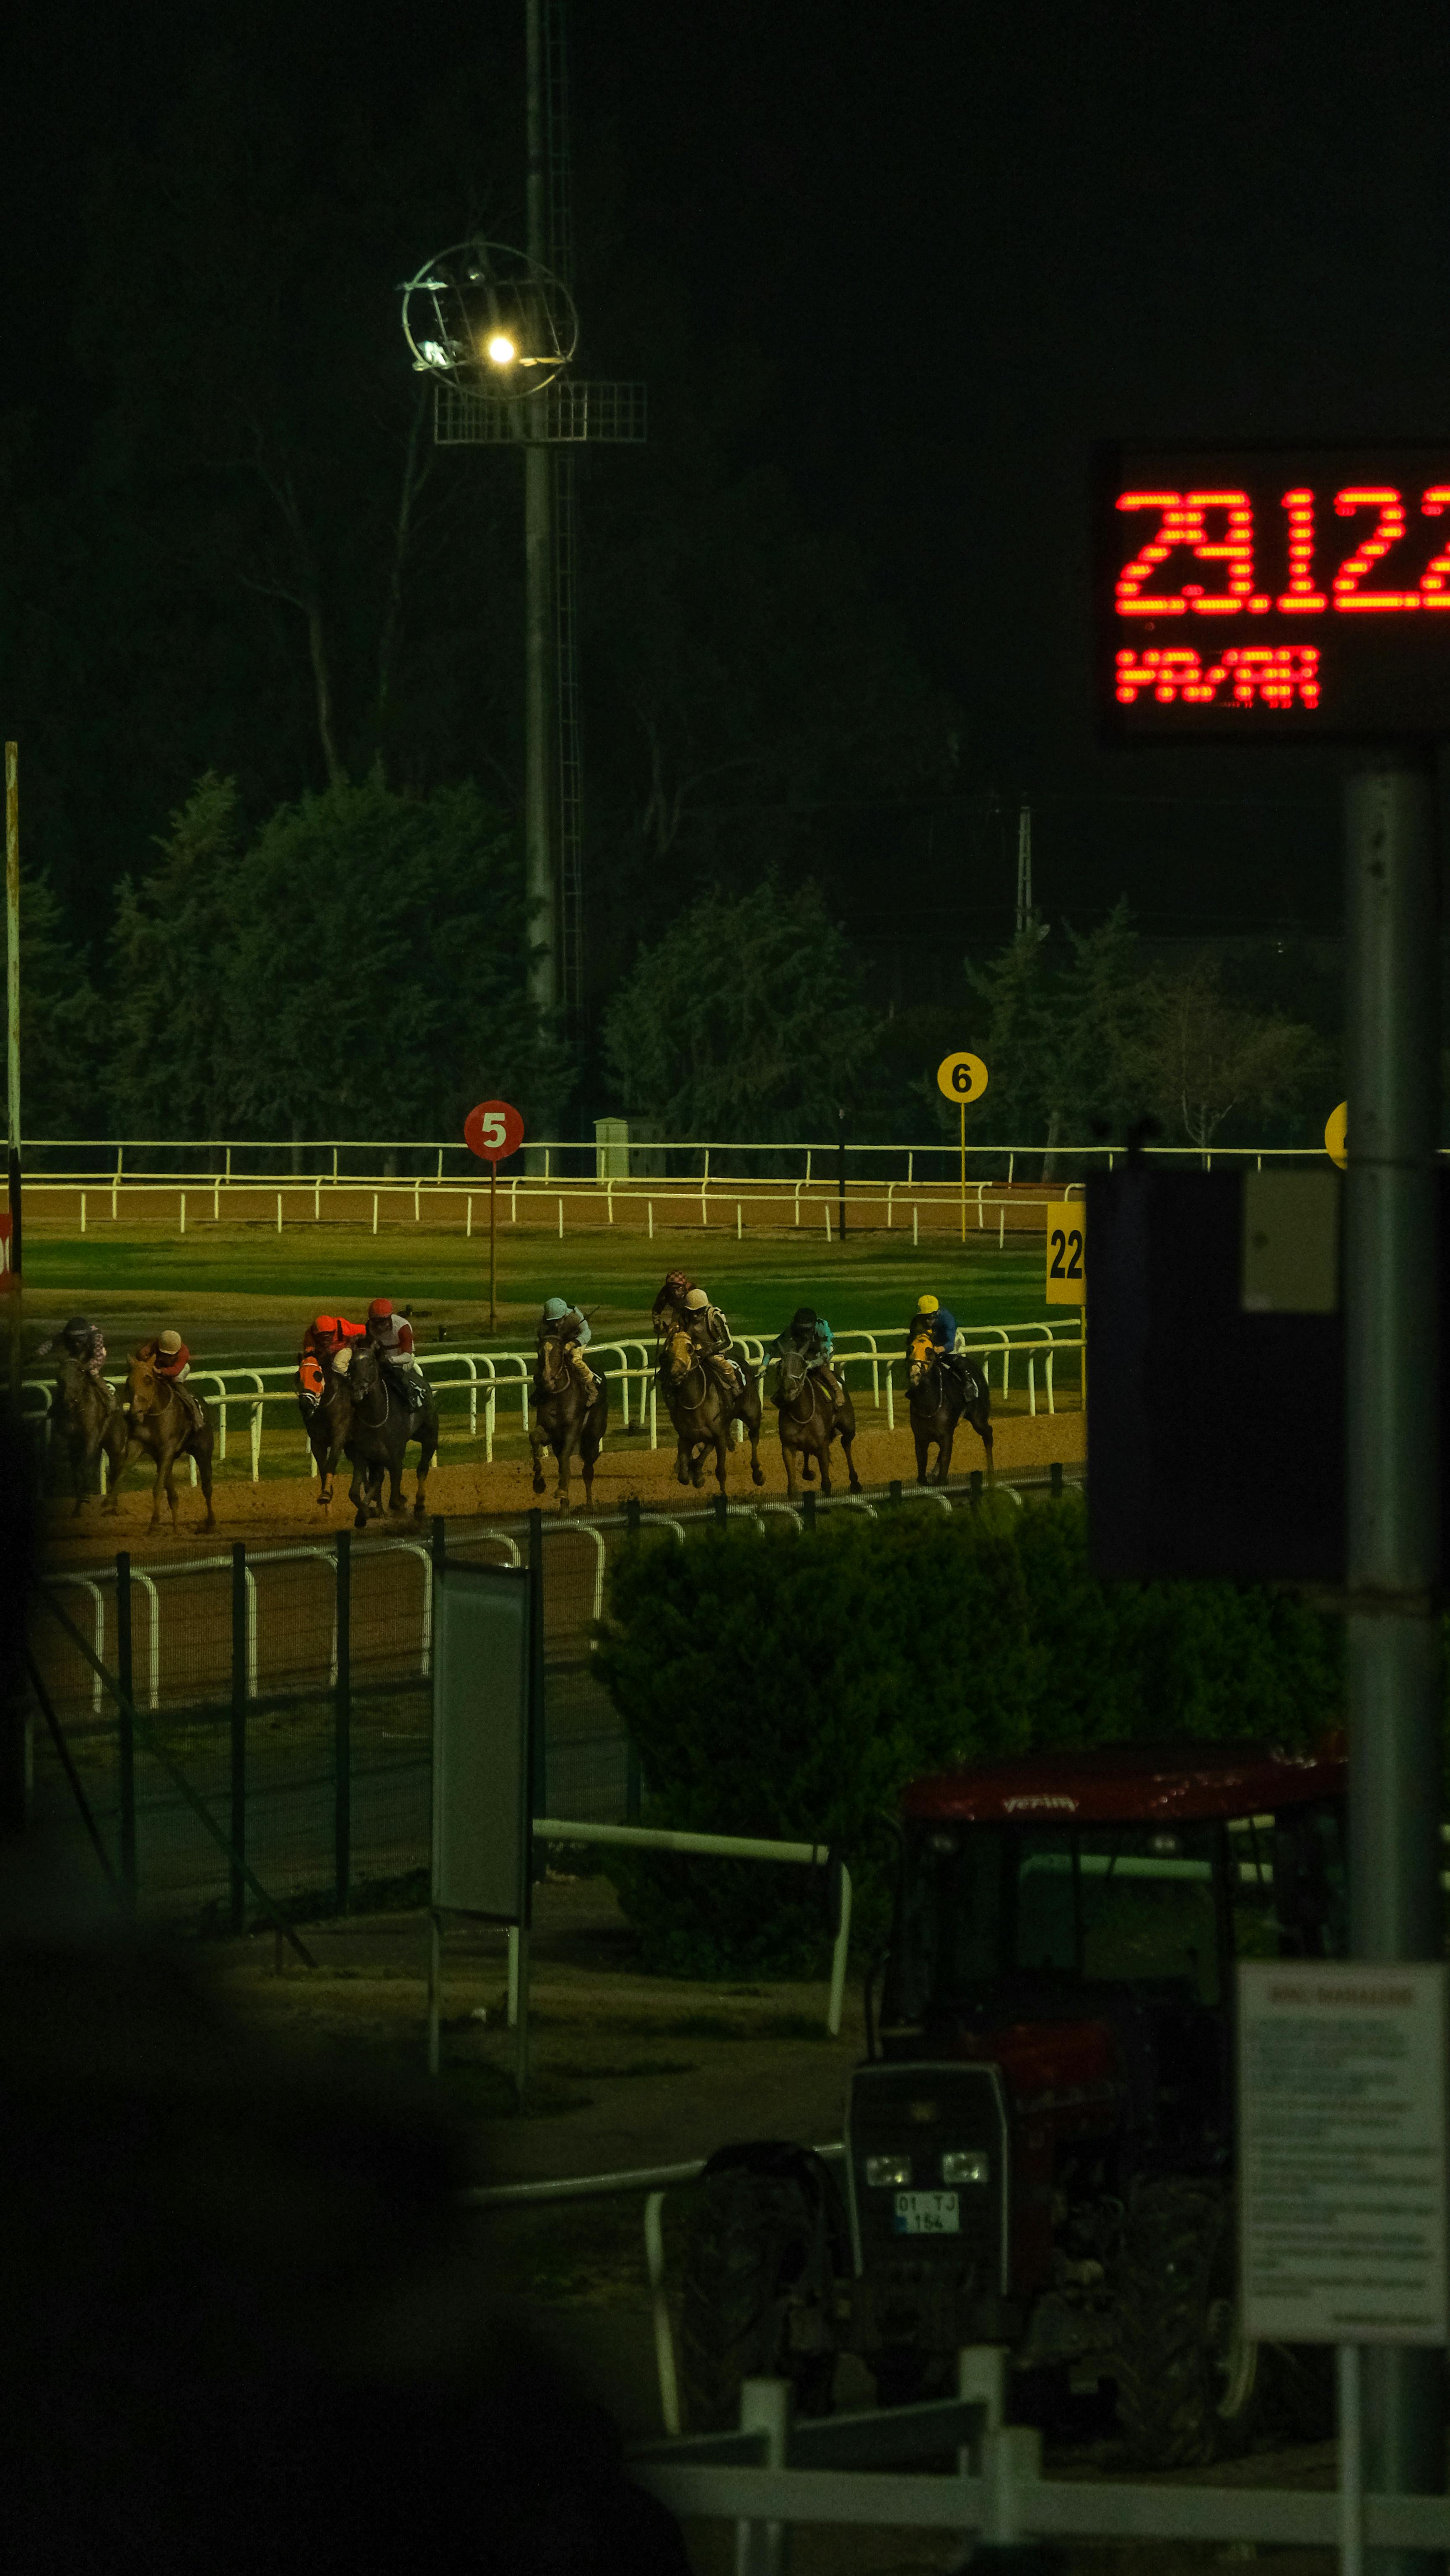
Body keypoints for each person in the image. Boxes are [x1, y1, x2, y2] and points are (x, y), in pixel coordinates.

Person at [908, 1291, 980, 1409]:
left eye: (930, 1317)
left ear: (937, 1314)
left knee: (951, 1360)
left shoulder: (947, 1319)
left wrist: (938, 1350)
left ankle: (968, 1384)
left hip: (949, 1342)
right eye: (924, 1318)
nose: (927, 1321)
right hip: (931, 1343)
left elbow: (950, 1345)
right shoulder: (917, 1321)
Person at [363, 1299, 428, 1416]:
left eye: (382, 1322)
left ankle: (411, 1398)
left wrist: (391, 1360)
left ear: (389, 1318)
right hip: (383, 1360)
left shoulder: (403, 1327)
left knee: (395, 1374)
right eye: (375, 1322)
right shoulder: (370, 1326)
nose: (378, 1326)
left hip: (402, 1360)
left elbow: (407, 1357)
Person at [680, 1284, 743, 1401]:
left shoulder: (714, 1316)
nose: (694, 1315)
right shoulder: (685, 1317)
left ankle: (736, 1387)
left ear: (704, 1308)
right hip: (692, 1348)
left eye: (697, 1311)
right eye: (691, 1311)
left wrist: (709, 1350)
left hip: (714, 1349)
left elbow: (728, 1342)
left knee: (720, 1363)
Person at [134, 1329, 205, 1431]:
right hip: (160, 1365)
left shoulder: (184, 1352)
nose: (167, 1356)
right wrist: (143, 1355)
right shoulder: (155, 1344)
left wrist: (160, 1371)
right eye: (164, 1353)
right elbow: (142, 1355)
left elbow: (176, 1370)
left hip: (179, 1369)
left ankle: (197, 1418)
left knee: (177, 1385)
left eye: (170, 1355)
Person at [771, 1305, 842, 1405]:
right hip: (803, 1349)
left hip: (820, 1350)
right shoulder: (792, 1328)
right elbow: (777, 1345)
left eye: (806, 1330)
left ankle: (837, 1391)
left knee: (821, 1367)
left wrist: (811, 1364)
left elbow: (825, 1355)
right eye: (801, 1330)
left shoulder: (822, 1327)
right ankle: (783, 1391)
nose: (804, 1333)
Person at [298, 1313, 366, 1412]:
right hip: (324, 1355)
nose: (325, 1341)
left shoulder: (343, 1328)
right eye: (322, 1337)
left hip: (343, 1349)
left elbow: (364, 1330)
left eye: (328, 1337)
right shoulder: (310, 1334)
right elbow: (309, 1351)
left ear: (334, 1332)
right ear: (316, 1334)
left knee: (339, 1364)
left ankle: (353, 1385)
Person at [538, 1295, 599, 1401]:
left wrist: (572, 1344)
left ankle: (592, 1387)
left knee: (575, 1360)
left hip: (578, 1339)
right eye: (553, 1322)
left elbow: (587, 1333)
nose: (556, 1325)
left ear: (564, 1316)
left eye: (559, 1321)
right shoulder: (546, 1320)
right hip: (561, 1340)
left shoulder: (575, 1317)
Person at [34, 1315, 107, 1376]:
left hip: (90, 1354)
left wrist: (88, 1368)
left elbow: (99, 1356)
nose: (77, 1343)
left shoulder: (96, 1336)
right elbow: (51, 1344)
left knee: (93, 1374)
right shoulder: (64, 1335)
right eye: (73, 1339)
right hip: (74, 1355)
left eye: (80, 1339)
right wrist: (38, 1353)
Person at [650, 1270, 695, 1341]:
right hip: (678, 1312)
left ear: (684, 1286)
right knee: (674, 1332)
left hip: (695, 1312)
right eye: (672, 1289)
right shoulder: (665, 1292)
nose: (675, 1292)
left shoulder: (692, 1290)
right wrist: (657, 1325)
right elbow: (657, 1309)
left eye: (678, 1288)